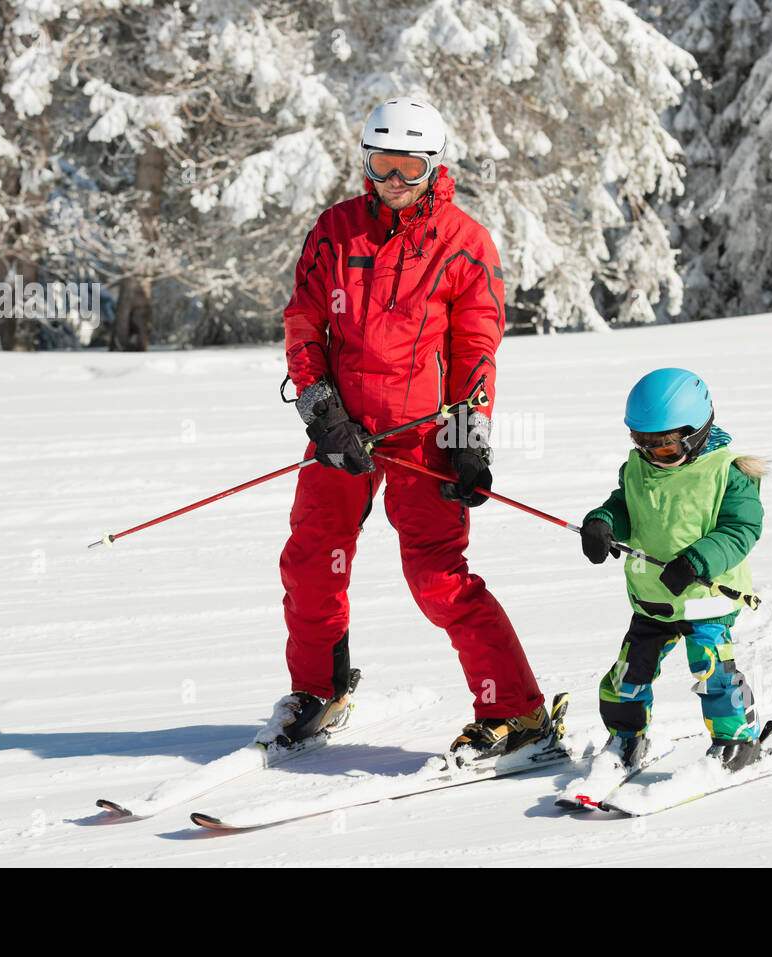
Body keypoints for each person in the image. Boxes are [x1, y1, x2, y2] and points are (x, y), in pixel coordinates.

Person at [271, 97, 547, 758]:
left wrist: (468, 441)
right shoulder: (336, 230)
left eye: (410, 168)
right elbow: (304, 322)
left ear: (435, 166)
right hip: (344, 432)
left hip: (423, 434)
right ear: (365, 162)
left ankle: (517, 711)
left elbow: (475, 349)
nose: (394, 182)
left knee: (437, 577)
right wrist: (321, 408)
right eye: (382, 165)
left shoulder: (464, 241)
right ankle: (317, 689)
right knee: (312, 560)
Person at [579, 368, 769, 772]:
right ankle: (625, 740)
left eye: (664, 448)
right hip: (653, 602)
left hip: (705, 600)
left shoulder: (729, 472)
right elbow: (624, 504)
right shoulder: (638, 467)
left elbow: (741, 529)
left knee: (712, 673)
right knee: (626, 677)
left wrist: (698, 560)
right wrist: (604, 523)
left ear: (697, 432)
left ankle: (738, 741)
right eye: (641, 444)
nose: (652, 456)